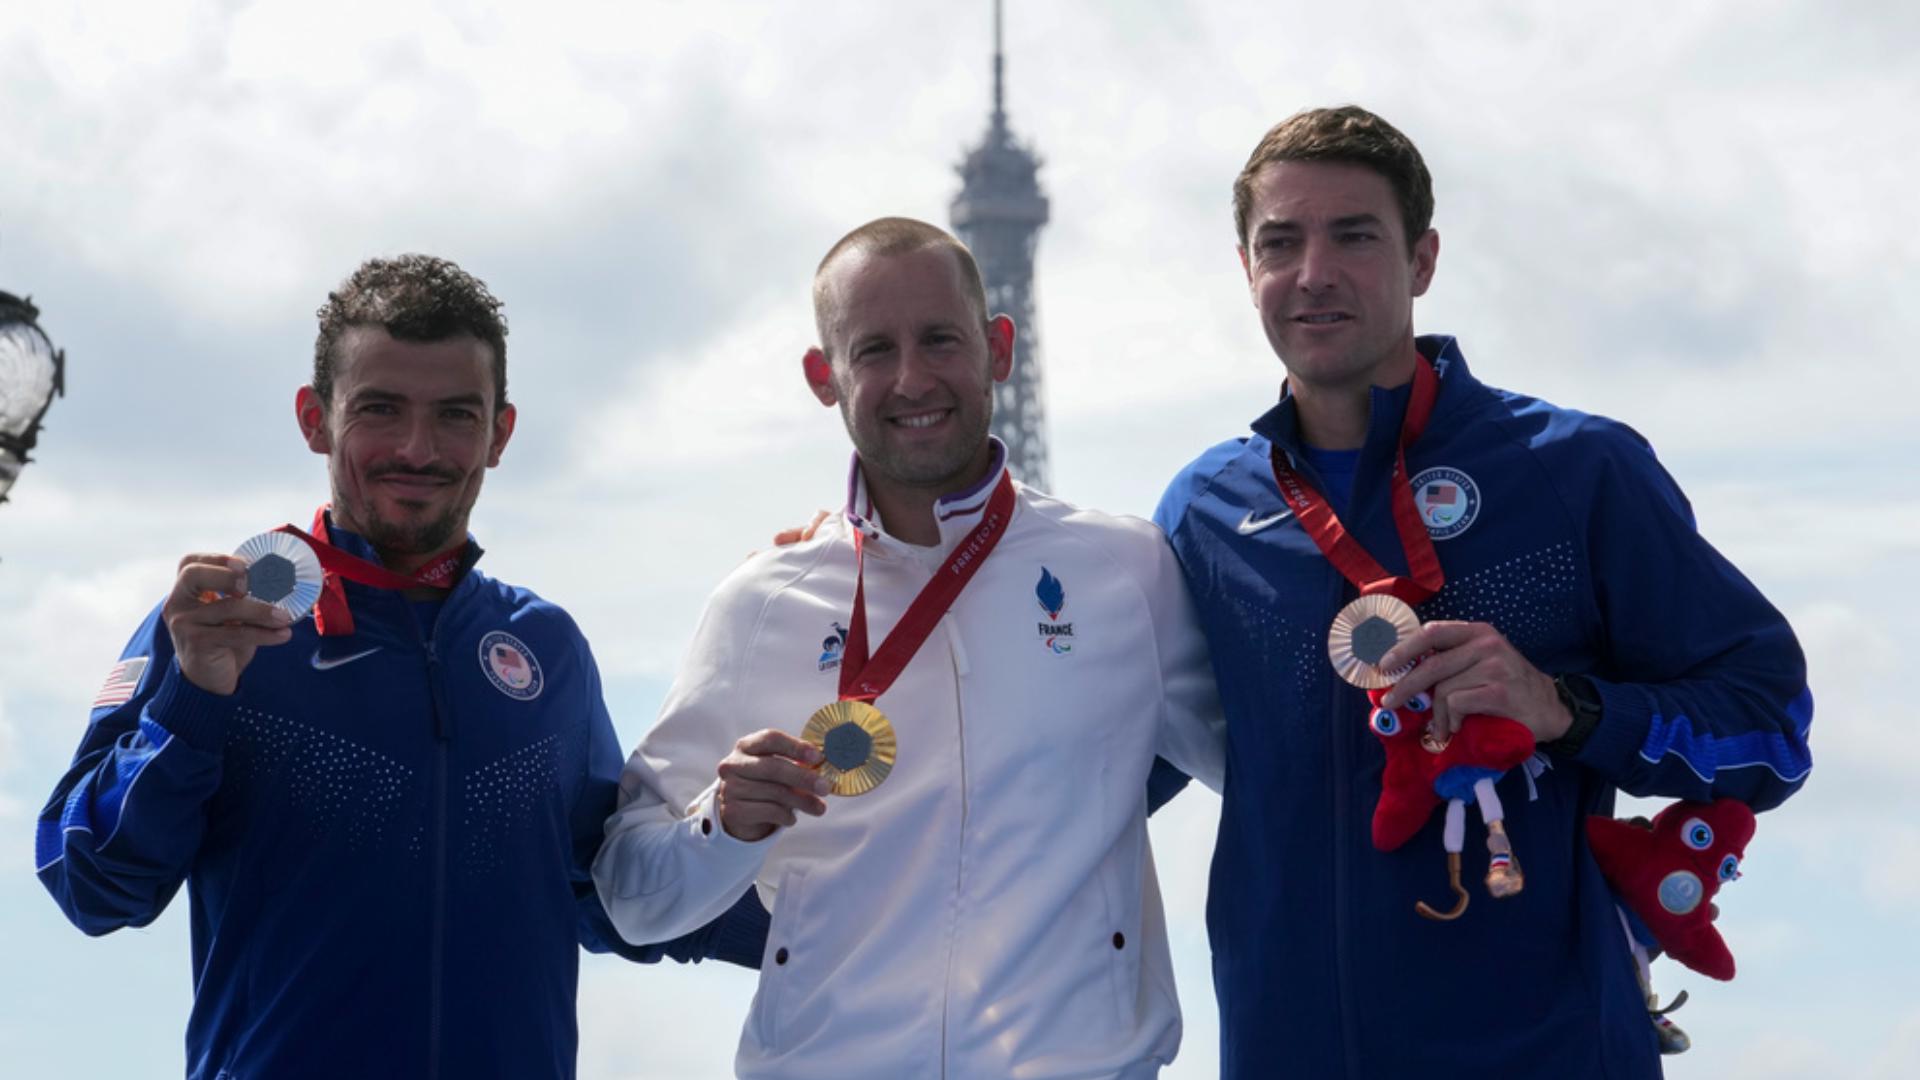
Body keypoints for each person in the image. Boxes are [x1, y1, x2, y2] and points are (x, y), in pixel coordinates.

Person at [1152, 106, 1814, 1078]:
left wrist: (1566, 708)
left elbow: (1774, 728)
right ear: (1245, 267)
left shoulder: (1576, 472)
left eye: (1355, 236)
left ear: (1422, 260)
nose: (1314, 272)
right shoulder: (1204, 511)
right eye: (1280, 242)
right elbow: (1106, 770)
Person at [34, 254, 745, 1080]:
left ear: (500, 433)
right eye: (380, 409)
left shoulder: (546, 650)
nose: (419, 447)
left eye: (454, 414)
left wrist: (802, 887)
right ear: (315, 419)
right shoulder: (218, 626)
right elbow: (91, 888)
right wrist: (191, 703)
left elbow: (619, 901)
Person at [593, 217, 1225, 1079]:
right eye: (873, 350)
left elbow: (1283, 779)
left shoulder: (1129, 573)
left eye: (940, 340)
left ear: (999, 347)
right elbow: (630, 899)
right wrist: (722, 825)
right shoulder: (760, 604)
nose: (912, 378)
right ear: (824, 377)